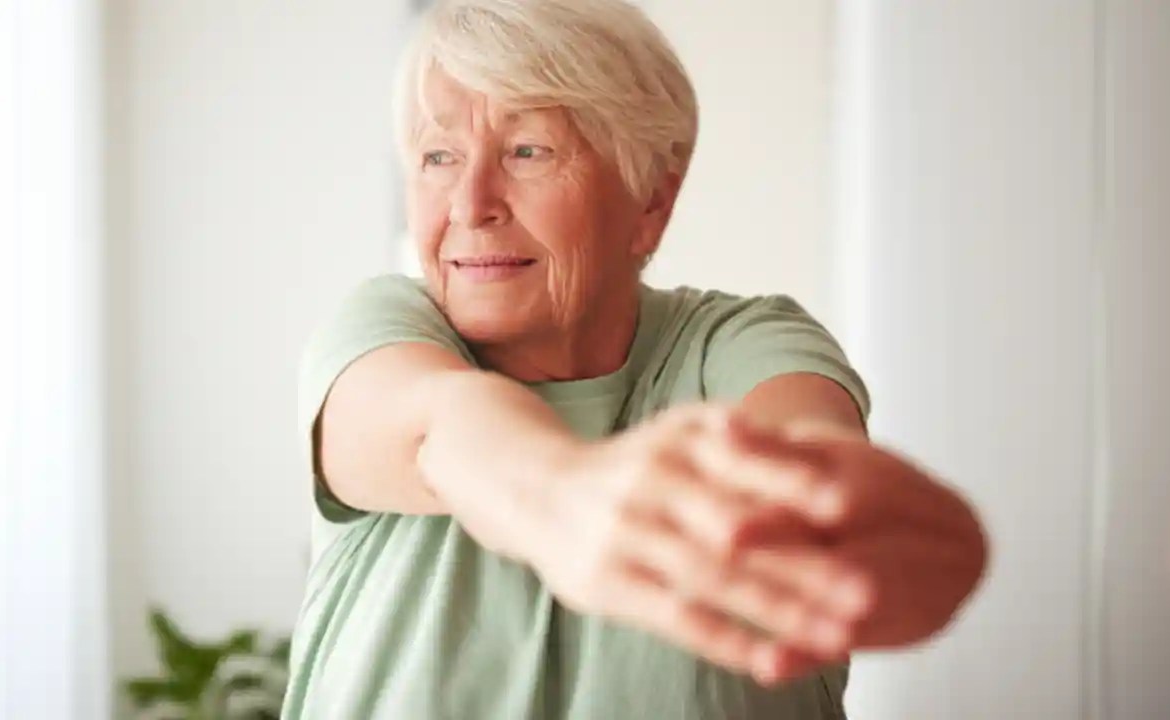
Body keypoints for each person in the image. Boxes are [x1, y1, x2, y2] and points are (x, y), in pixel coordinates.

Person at [283, 1, 987, 717]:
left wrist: (864, 537)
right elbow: (437, 426)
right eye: (439, 157)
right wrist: (564, 493)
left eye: (528, 151)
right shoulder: (381, 327)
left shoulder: (744, 342)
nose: (471, 204)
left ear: (652, 197)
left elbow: (812, 475)